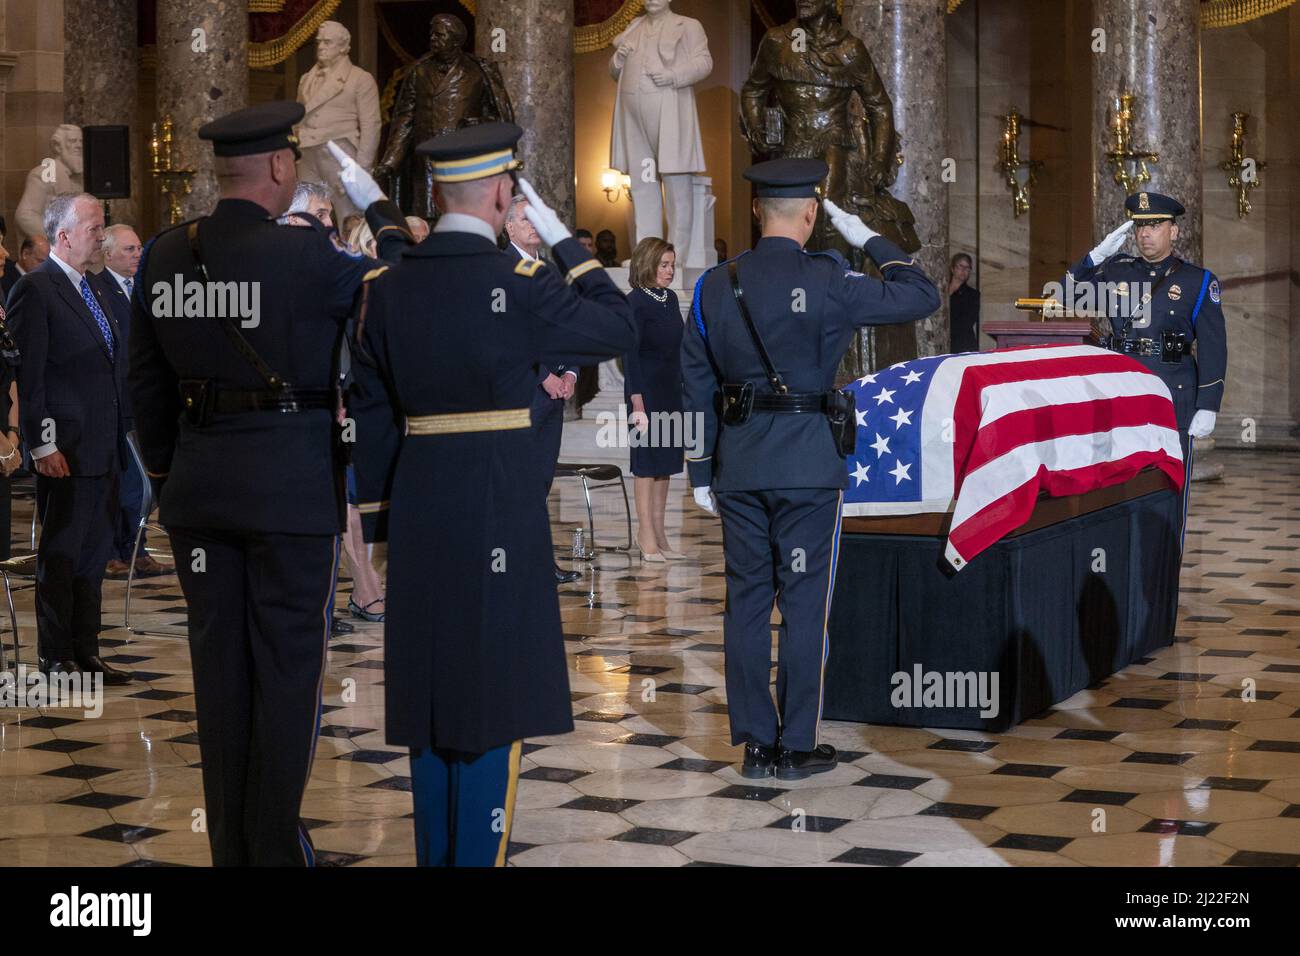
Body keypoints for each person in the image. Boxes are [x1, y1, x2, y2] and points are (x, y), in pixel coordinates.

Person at [129, 100, 413, 866]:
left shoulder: (164, 255)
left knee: (220, 679)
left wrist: (168, 475)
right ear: (282, 167)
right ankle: (273, 849)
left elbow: (144, 389)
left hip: (197, 499)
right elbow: (402, 282)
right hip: (290, 497)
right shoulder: (307, 258)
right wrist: (378, 207)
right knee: (288, 678)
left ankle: (233, 850)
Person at [348, 122, 636, 866]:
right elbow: (621, 324)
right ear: (506, 193)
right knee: (492, 694)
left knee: (430, 695)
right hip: (499, 501)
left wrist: (380, 520)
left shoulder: (387, 288)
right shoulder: (523, 282)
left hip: (418, 502)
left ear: (438, 193)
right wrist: (567, 244)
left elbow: (375, 413)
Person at [681, 158, 939, 781]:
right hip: (807, 467)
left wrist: (698, 467)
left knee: (745, 602)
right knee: (803, 602)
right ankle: (795, 744)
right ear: (813, 213)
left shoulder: (716, 284)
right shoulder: (831, 278)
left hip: (738, 466)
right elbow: (921, 293)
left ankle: (753, 744)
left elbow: (693, 379)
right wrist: (868, 238)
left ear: (754, 212)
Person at [8, 193, 132, 685]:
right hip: (64, 447)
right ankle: (54, 655)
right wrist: (40, 443)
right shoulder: (37, 290)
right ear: (64, 235)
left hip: (104, 445)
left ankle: (87, 651)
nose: (101, 236)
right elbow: (30, 376)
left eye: (102, 228)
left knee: (94, 556)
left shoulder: (95, 287)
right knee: (59, 556)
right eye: (95, 228)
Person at [1068, 190, 1226, 520]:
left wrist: (1208, 405)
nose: (1145, 233)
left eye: (1155, 225)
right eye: (1140, 226)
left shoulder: (1197, 281)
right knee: (1120, 488)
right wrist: (1094, 258)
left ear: (1174, 231)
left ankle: (1164, 566)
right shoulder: (1117, 271)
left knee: (1167, 488)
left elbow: (1213, 345)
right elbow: (1068, 293)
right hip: (1124, 389)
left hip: (1173, 395)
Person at [278, 181, 386, 626]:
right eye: (320, 215)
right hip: (293, 412)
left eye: (329, 215)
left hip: (339, 402)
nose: (328, 223)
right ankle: (319, 603)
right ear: (291, 218)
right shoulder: (274, 270)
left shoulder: (333, 268)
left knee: (341, 503)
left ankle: (331, 600)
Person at [503, 195, 582, 584]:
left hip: (556, 391)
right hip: (524, 393)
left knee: (542, 480)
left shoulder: (551, 270)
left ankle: (537, 561)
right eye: (525, 219)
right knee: (518, 482)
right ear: (509, 227)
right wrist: (544, 376)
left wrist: (570, 374)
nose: (533, 224)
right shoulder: (501, 269)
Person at [372, 12, 514, 218]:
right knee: (426, 217)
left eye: (439, 35)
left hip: (464, 161)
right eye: (432, 34)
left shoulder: (479, 72)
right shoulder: (418, 71)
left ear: (456, 40)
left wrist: (478, 124)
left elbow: (502, 120)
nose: (433, 39)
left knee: (462, 215)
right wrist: (390, 161)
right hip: (426, 161)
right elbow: (404, 120)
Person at [93, 223, 167, 579]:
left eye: (139, 248)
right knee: (123, 482)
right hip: (116, 400)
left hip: (144, 400)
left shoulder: (147, 288)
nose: (138, 254)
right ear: (107, 254)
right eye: (129, 249)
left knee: (144, 486)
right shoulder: (98, 289)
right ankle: (113, 550)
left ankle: (135, 548)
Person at [624, 236, 684, 562]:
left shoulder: (670, 299)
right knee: (646, 465)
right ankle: (644, 534)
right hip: (644, 392)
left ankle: (660, 535)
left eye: (672, 265)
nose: (670, 271)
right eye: (664, 265)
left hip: (671, 390)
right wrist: (636, 400)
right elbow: (629, 354)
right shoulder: (634, 301)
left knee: (665, 466)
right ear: (648, 264)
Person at [294, 20, 381, 222]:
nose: (321, 47)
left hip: (340, 153)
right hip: (307, 153)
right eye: (319, 42)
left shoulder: (360, 78)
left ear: (343, 47)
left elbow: (371, 126)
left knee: (347, 216)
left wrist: (361, 169)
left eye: (328, 42)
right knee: (307, 213)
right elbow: (298, 117)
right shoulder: (306, 79)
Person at [948, 252, 980, 353]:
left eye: (968, 268)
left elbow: (969, 321)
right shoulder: (941, 289)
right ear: (952, 268)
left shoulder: (973, 294)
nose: (964, 270)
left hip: (963, 344)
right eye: (960, 266)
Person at [3, 235, 50, 301]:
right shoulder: (4, 277)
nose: (44, 267)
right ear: (25, 254)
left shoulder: (46, 280)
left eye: (47, 262)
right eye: (40, 261)